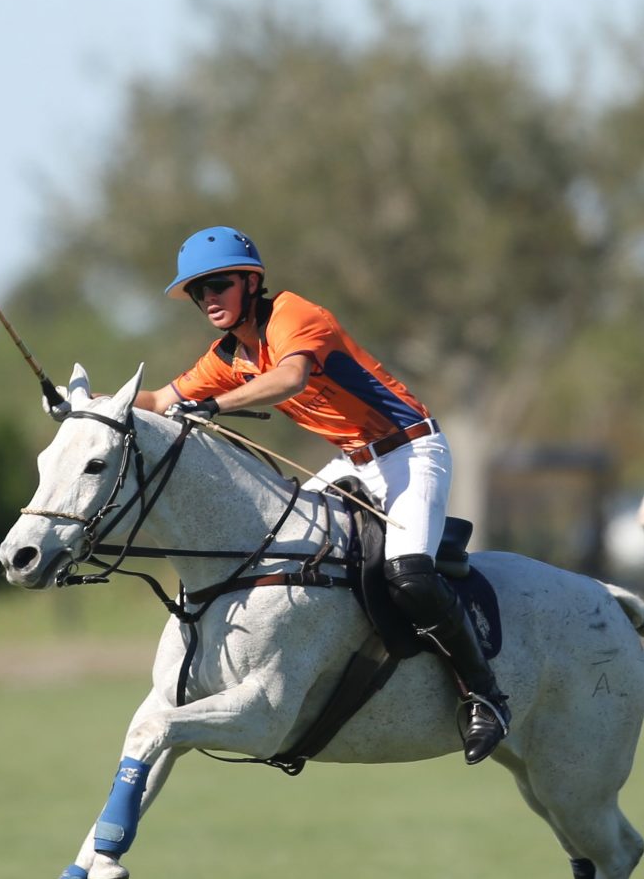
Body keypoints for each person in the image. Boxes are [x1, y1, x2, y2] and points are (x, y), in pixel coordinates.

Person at [135, 226, 511, 763]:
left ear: (250, 282)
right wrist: (81, 404)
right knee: (279, 554)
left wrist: (217, 405)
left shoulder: (293, 314)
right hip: (352, 462)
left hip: (410, 450)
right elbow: (156, 399)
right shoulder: (228, 356)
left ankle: (485, 696)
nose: (208, 298)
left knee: (409, 575)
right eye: (198, 291)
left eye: (218, 284)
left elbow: (291, 377)